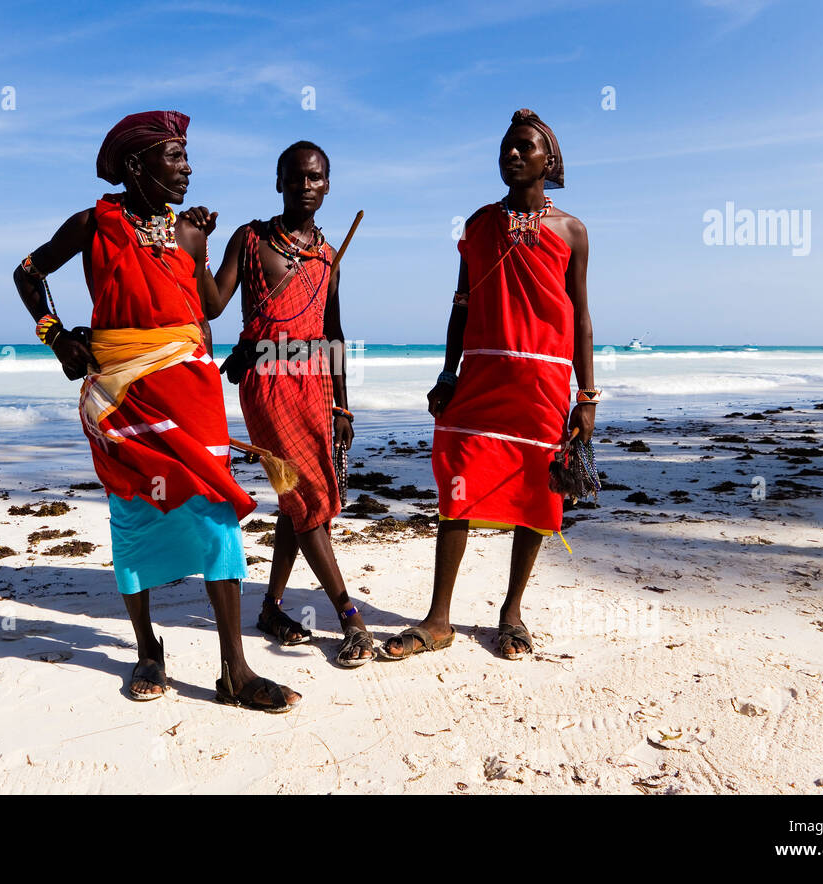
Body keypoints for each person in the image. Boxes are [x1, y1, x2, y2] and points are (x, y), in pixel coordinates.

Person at [12, 110, 301, 712]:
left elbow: (207, 308)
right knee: (132, 513)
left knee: (215, 512)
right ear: (136, 166)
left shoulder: (189, 235)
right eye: (173, 158)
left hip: (192, 393)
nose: (187, 168)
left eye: (188, 157)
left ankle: (235, 670)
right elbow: (28, 271)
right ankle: (148, 648)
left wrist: (226, 251)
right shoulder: (93, 224)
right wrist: (55, 333)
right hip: (122, 392)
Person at [383, 109, 597, 662]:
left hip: (543, 383)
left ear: (549, 161)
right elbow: (461, 305)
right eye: (506, 147)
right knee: (457, 485)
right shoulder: (477, 225)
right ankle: (438, 619)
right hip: (479, 377)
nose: (512, 154)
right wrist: (446, 371)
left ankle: (511, 614)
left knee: (536, 492)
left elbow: (581, 317)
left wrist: (587, 395)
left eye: (525, 147)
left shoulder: (571, 230)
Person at [207, 141, 375, 668]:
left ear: (328, 184)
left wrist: (343, 407)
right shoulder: (251, 239)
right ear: (278, 182)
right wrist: (199, 249)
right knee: (304, 493)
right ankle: (350, 617)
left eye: (317, 177)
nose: (306, 186)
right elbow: (212, 303)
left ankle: (272, 607)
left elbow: (335, 333)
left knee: (294, 496)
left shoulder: (330, 257)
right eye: (296, 177)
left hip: (314, 382)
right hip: (266, 382)